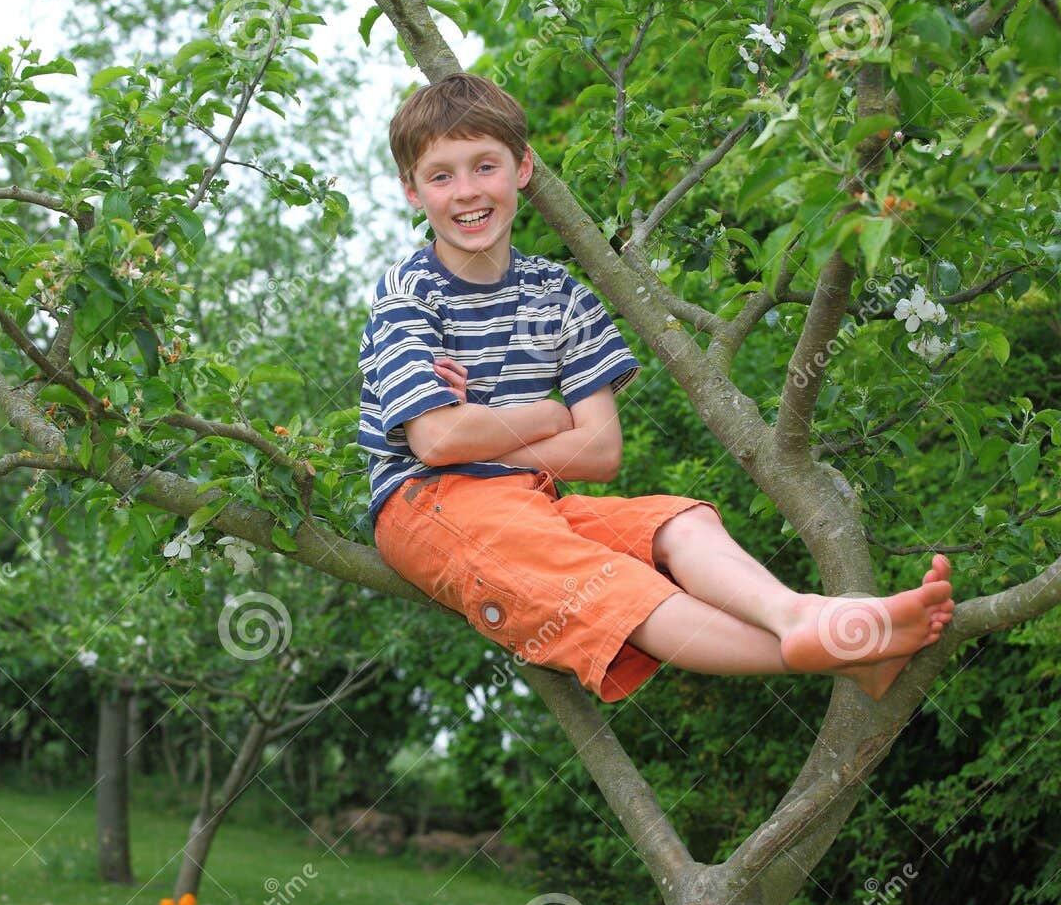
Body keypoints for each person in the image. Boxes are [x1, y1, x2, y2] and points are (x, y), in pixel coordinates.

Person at [357, 73, 953, 702]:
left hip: (534, 499)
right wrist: (549, 414)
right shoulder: (408, 291)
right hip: (430, 506)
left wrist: (481, 428)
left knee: (680, 522)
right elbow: (435, 441)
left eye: (485, 166)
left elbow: (601, 454)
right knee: (607, 582)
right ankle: (836, 645)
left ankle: (802, 618)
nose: (468, 191)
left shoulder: (561, 296)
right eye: (442, 175)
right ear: (412, 191)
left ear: (523, 167)